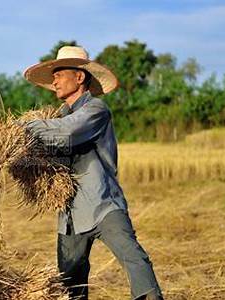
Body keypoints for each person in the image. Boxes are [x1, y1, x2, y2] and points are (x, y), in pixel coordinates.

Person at [21, 46, 163, 300]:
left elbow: (67, 132)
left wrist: (23, 127)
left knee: (134, 259)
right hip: (70, 215)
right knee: (69, 286)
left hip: (103, 204)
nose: (54, 81)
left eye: (59, 74)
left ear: (79, 77)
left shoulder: (96, 110)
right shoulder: (55, 117)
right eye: (53, 76)